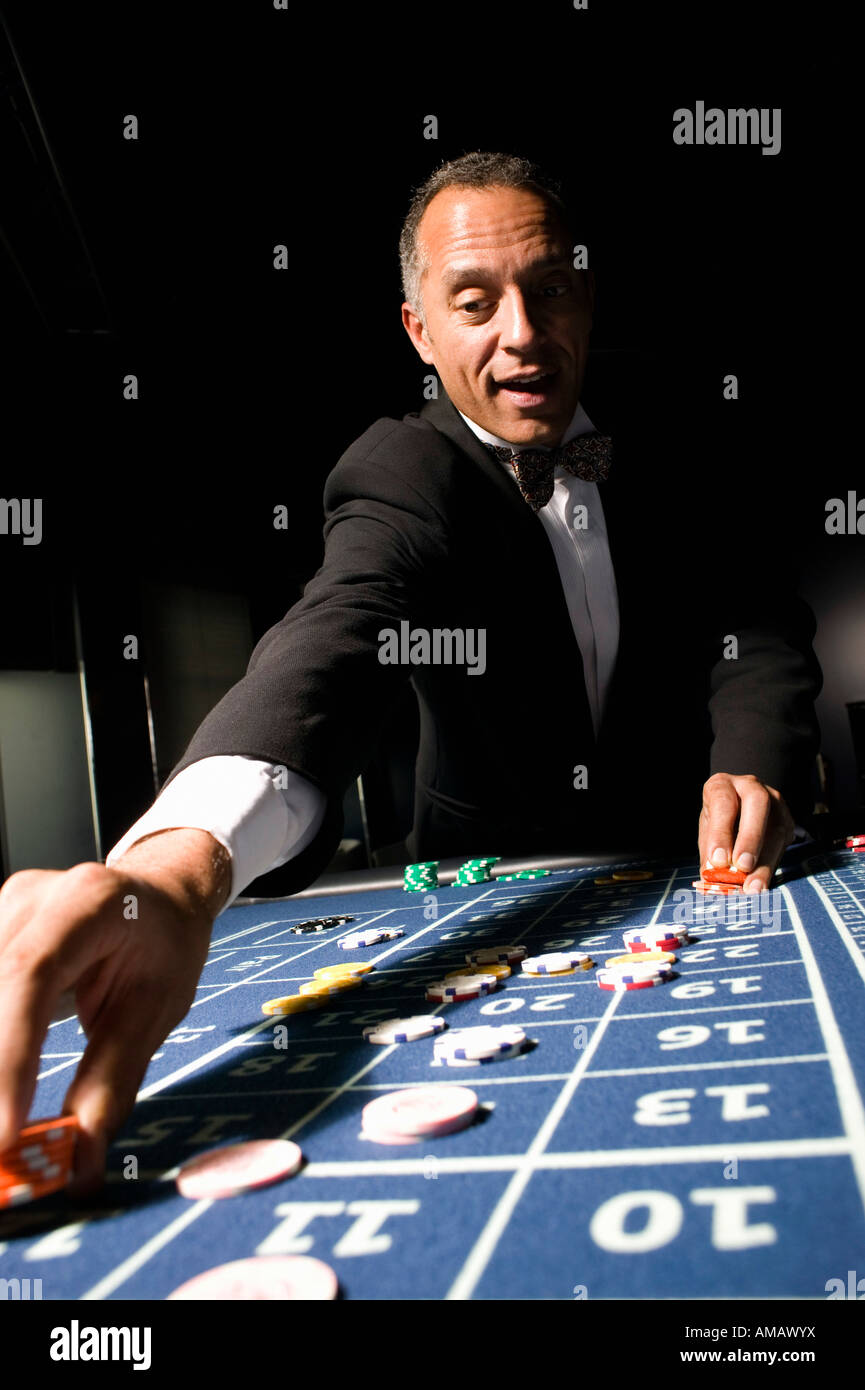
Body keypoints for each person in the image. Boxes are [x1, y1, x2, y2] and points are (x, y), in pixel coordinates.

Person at [0, 152, 822, 1186]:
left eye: (549, 290)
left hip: (692, 854)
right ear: (419, 331)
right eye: (473, 301)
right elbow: (334, 638)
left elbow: (753, 624)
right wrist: (175, 869)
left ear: (587, 295)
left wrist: (753, 763)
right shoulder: (405, 470)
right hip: (480, 879)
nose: (520, 332)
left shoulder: (681, 440)